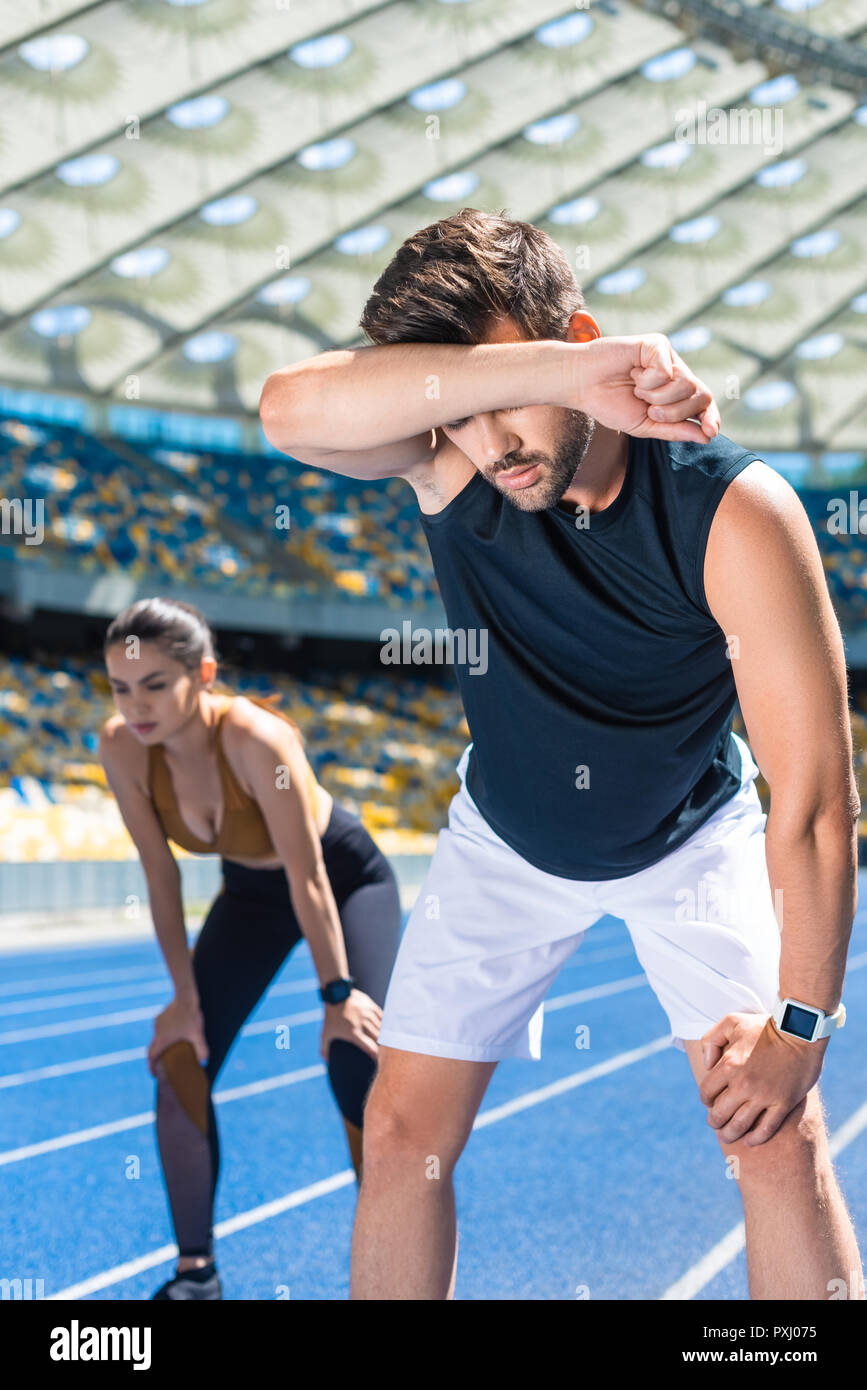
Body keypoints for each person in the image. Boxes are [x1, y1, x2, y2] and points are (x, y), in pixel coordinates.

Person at [259, 207, 864, 1302]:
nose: (495, 446)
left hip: (689, 838)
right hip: (506, 839)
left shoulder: (734, 511)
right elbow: (287, 408)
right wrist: (541, 376)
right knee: (400, 1135)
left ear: (579, 335)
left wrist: (801, 1026)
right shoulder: (454, 463)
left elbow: (816, 804)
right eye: (467, 408)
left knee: (774, 1132)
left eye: (511, 397)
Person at [98, 597, 401, 1299]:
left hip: (343, 878)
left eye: (153, 685)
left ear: (202, 675)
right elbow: (159, 872)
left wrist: (335, 999)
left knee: (356, 1057)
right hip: (250, 896)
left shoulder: (255, 740)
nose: (134, 705)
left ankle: (389, 1266)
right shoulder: (120, 747)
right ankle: (196, 1276)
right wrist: (182, 1000)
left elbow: (311, 876)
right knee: (180, 1064)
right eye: (119, 686)